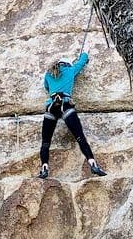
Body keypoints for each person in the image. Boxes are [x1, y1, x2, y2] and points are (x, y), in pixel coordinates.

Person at [38, 50, 107, 179]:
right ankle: (93, 164)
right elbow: (82, 62)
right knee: (80, 137)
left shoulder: (48, 74)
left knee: (46, 142)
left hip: (51, 106)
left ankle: (44, 168)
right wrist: (84, 54)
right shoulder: (70, 70)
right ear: (67, 64)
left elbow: (47, 87)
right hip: (65, 105)